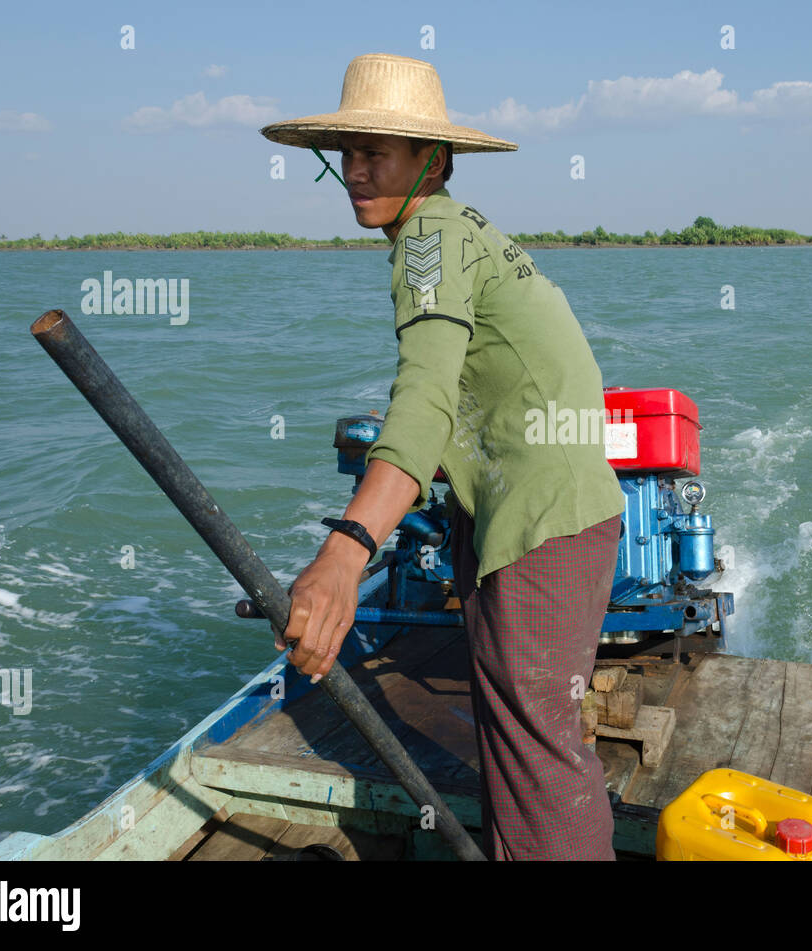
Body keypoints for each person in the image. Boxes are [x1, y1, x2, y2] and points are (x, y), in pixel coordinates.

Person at [259, 54, 626, 860]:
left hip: (540, 524)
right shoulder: (458, 231)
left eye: (375, 152)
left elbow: (423, 400)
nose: (355, 172)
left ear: (435, 158)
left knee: (538, 758)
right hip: (551, 511)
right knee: (531, 745)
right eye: (346, 153)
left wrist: (347, 551)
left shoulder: (426, 240)